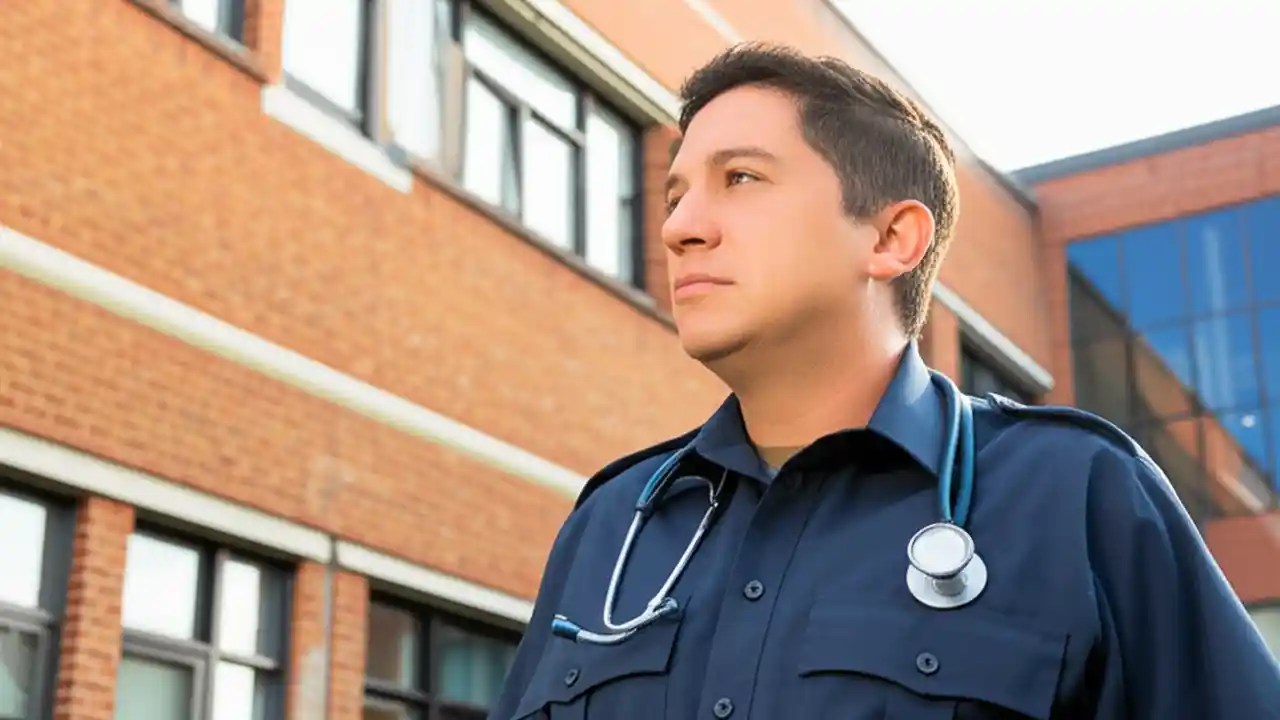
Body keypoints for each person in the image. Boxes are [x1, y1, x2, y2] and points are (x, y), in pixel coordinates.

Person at [488, 42, 1280, 720]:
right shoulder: (614, 525)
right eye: (675, 192)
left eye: (741, 179)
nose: (678, 227)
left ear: (892, 237)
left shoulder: (1077, 495)